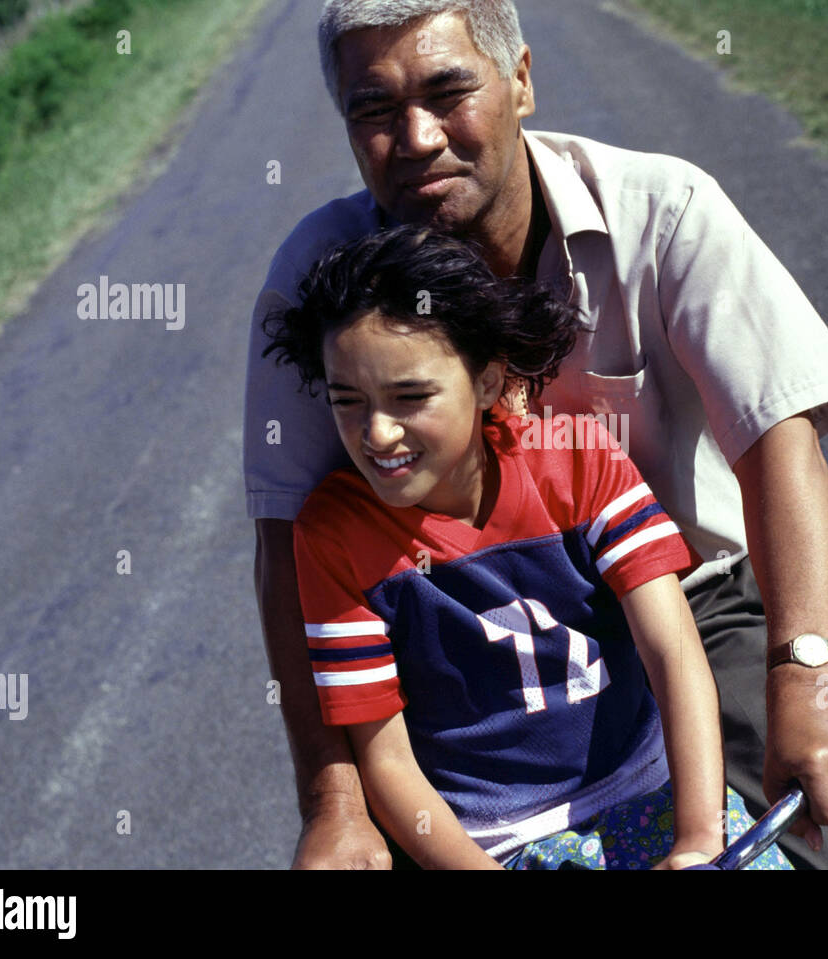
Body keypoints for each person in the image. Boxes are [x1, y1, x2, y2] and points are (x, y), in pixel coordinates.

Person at [245, 0, 828, 869]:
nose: (416, 138)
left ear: (520, 80)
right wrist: (334, 802)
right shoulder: (318, 284)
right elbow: (288, 539)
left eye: (449, 91)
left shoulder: (663, 209)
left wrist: (808, 675)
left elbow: (778, 436)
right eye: (372, 109)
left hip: (683, 604)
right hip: (450, 649)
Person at [260, 224, 792, 870]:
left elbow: (673, 652)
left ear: (488, 380)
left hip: (651, 788)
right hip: (494, 847)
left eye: (410, 397)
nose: (376, 431)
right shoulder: (332, 536)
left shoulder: (580, 458)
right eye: (348, 401)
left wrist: (698, 840)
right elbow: (387, 759)